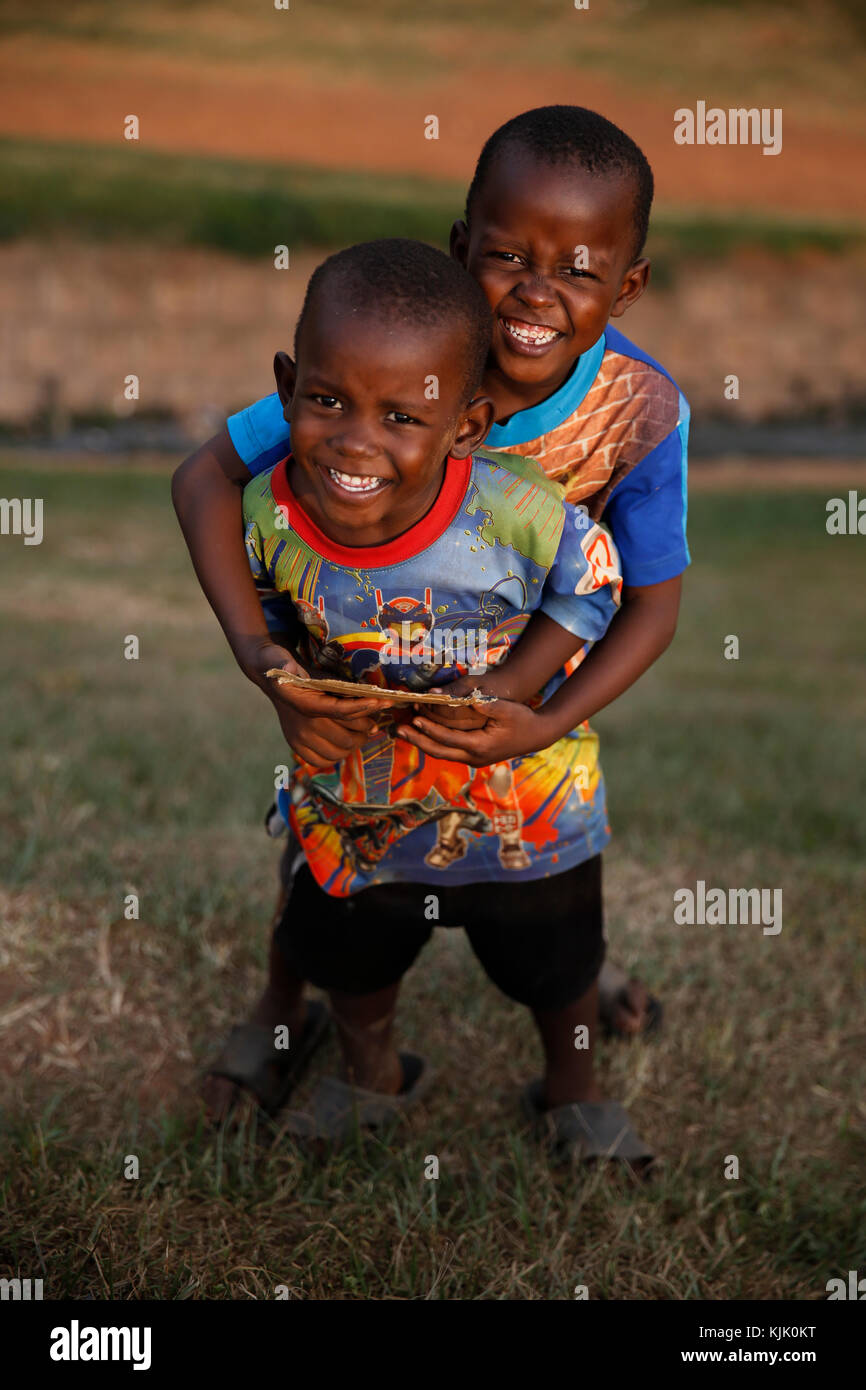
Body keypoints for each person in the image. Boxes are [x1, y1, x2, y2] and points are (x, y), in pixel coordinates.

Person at [172, 104, 688, 1094]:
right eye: (505, 255)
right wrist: (261, 660)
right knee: (325, 850)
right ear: (461, 247)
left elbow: (650, 607)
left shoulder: (635, 410)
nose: (533, 294)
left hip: (516, 707)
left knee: (542, 880)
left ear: (627, 285)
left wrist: (538, 717)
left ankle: (577, 993)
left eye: (578, 269)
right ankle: (284, 1006)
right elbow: (206, 477)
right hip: (352, 680)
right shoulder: (392, 349)